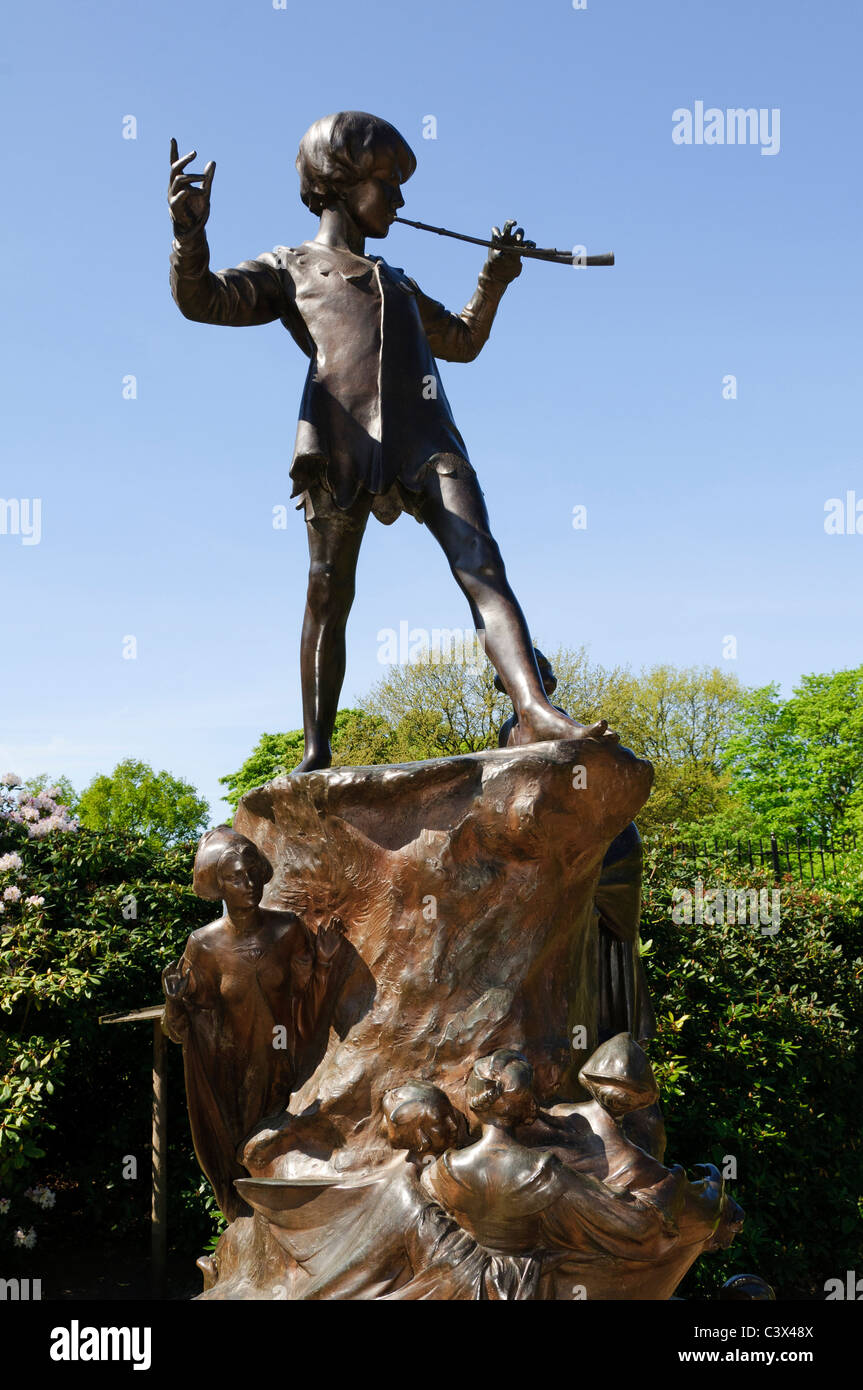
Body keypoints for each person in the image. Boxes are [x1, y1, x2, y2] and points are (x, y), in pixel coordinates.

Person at [168, 111, 618, 772]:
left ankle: (533, 708)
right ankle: (315, 752)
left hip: (427, 439)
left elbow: (461, 341)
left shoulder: (397, 282)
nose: (400, 200)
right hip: (337, 442)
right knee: (328, 591)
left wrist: (494, 277)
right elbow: (203, 300)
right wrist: (189, 234)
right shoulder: (290, 266)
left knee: (481, 562)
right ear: (342, 184)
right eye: (387, 182)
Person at [162, 826, 345, 1220]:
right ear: (218, 886)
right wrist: (175, 1001)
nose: (247, 884)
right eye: (234, 878)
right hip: (227, 1079)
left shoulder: (288, 930)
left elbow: (309, 1004)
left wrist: (325, 963)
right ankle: (245, 1237)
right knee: (235, 1167)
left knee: (277, 1159)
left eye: (250, 874)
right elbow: (181, 1029)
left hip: (283, 1073)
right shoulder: (203, 945)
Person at [497, 650, 655, 1045]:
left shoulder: (564, 724)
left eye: (541, 678)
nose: (534, 686)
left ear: (547, 685)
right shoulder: (508, 731)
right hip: (554, 850)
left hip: (605, 849)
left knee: (611, 943)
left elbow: (617, 774)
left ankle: (618, 1038)